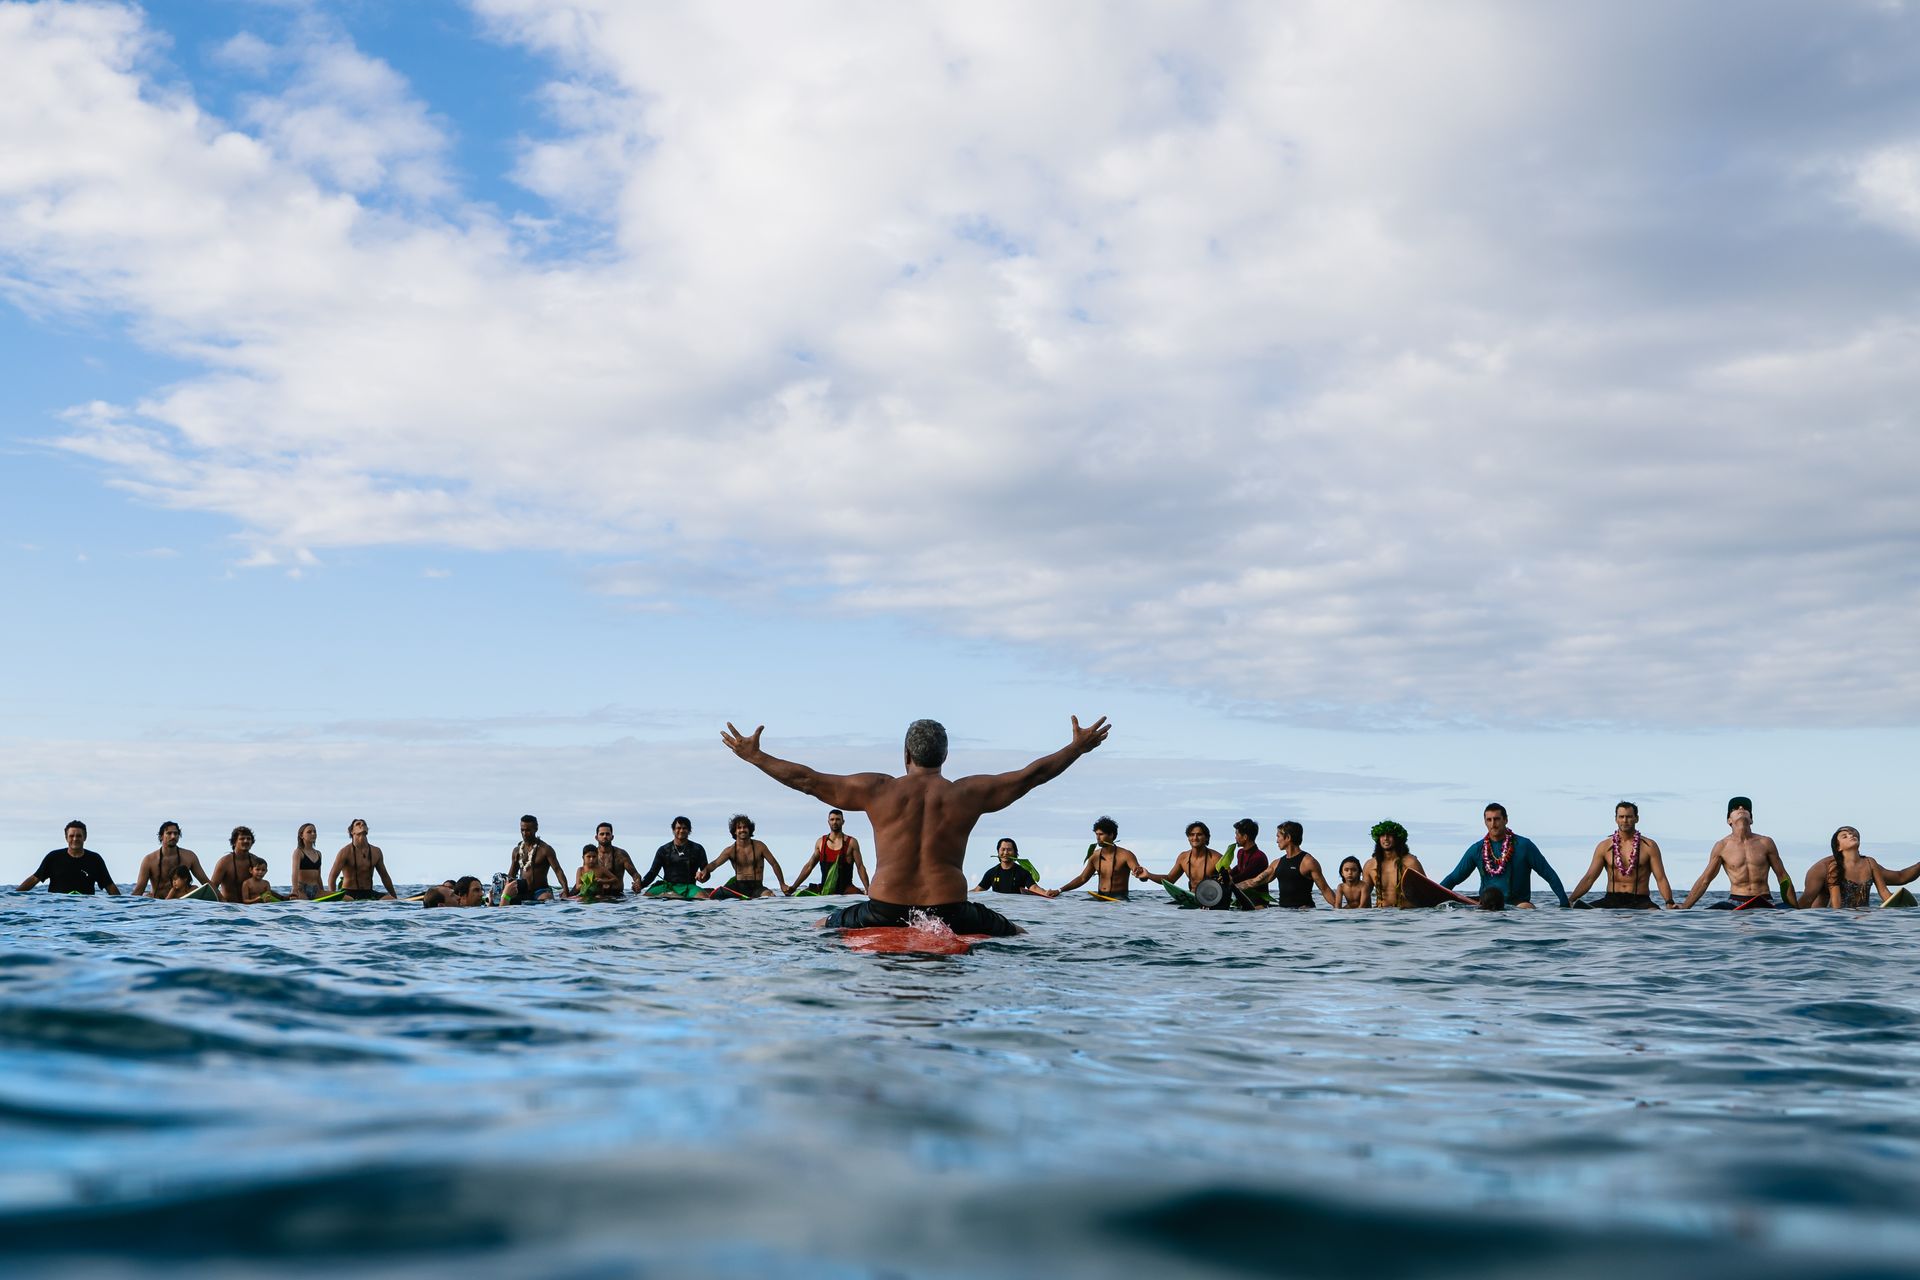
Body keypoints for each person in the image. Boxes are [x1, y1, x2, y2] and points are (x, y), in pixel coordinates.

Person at [721, 715, 1108, 937]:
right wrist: (1076, 748)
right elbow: (1031, 776)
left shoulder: (877, 790)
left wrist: (755, 756)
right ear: (946, 755)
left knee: (820, 924)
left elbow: (807, 780)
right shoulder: (967, 794)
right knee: (1021, 936)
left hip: (884, 909)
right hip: (951, 910)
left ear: (905, 754)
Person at [1440, 804, 1570, 909]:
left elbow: (1548, 874)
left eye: (1497, 819)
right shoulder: (1477, 849)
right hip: (1486, 907)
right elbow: (1454, 878)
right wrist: (1434, 899)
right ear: (1484, 822)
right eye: (1489, 820)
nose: (1493, 824)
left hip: (1518, 906)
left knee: (1527, 907)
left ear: (1505, 820)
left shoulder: (1524, 846)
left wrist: (1564, 903)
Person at [1678, 797, 1794, 910]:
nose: (1741, 808)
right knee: (1709, 912)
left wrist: (1795, 909)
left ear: (1751, 819)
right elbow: (1705, 880)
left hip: (1765, 900)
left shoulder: (1766, 843)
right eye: (1735, 808)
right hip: (1735, 902)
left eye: (1746, 808)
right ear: (1729, 820)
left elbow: (1783, 876)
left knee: (1788, 909)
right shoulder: (1722, 846)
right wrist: (1684, 907)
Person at [1567, 803, 1675, 908]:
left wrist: (1669, 902)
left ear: (1636, 819)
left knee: (1654, 912)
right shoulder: (1604, 846)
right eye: (1621, 817)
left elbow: (1660, 878)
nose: (1625, 820)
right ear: (1616, 819)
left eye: (1629, 817)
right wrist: (1570, 900)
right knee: (1580, 908)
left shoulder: (1649, 846)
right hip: (1611, 899)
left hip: (1640, 900)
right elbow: (1589, 878)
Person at [1240, 821, 1336, 908]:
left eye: (1278, 836)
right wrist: (1231, 885)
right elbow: (1254, 882)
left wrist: (1341, 910)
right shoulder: (1277, 863)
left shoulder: (1308, 862)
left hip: (1304, 915)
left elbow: (1325, 889)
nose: (1277, 841)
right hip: (1284, 916)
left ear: (1288, 837)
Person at [1054, 816, 1154, 899]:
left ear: (1111, 835)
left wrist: (1141, 875)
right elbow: (1082, 878)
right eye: (1096, 834)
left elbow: (1142, 876)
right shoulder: (1095, 856)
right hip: (1100, 898)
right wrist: (1059, 890)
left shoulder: (1126, 855)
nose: (1098, 838)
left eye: (1101, 834)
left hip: (1120, 900)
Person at [1797, 826, 1895, 908]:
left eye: (1851, 834)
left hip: (1865, 916)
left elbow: (1883, 891)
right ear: (1838, 847)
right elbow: (1836, 902)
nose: (1851, 835)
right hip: (1842, 918)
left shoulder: (1870, 862)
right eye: (1845, 836)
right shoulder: (1834, 867)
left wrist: (1896, 907)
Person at [700, 814, 790, 898]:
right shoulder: (730, 850)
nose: (742, 830)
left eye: (745, 827)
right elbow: (715, 863)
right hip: (738, 887)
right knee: (715, 895)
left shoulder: (760, 846)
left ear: (749, 829)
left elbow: (774, 864)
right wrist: (705, 870)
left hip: (757, 886)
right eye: (739, 828)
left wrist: (782, 884)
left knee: (769, 895)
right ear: (735, 831)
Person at [18, 820, 119, 894]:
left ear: (85, 837)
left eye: (79, 836)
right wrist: (15, 896)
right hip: (58, 910)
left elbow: (109, 886)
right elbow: (34, 879)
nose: (75, 839)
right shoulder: (53, 857)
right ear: (66, 837)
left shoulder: (95, 859)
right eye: (71, 836)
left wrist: (122, 906)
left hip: (86, 910)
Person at [784, 808, 870, 895]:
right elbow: (809, 866)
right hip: (825, 889)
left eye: (838, 819)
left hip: (846, 890)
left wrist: (868, 890)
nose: (834, 822)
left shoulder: (851, 842)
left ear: (843, 822)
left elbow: (860, 867)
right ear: (828, 822)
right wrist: (794, 887)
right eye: (832, 819)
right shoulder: (821, 842)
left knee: (858, 894)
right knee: (800, 894)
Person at [1136, 822, 1225, 892]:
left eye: (1199, 834)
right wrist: (1148, 875)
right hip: (1192, 896)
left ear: (1206, 837)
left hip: (1212, 900)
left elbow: (1231, 879)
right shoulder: (1183, 858)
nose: (1195, 838)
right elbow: (1170, 879)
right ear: (1188, 838)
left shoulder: (1216, 858)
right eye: (1191, 834)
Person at [132, 821, 210, 898]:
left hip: (181, 904)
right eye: (169, 833)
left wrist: (221, 899)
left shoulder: (189, 857)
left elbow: (205, 881)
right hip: (157, 904)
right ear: (161, 836)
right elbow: (139, 890)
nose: (173, 836)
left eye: (176, 833)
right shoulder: (149, 860)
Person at [328, 818, 398, 900]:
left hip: (368, 892)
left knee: (389, 899)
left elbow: (384, 876)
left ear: (367, 830)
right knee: (348, 899)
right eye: (358, 824)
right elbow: (332, 877)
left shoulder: (376, 851)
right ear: (352, 831)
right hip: (348, 893)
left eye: (364, 824)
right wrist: (333, 898)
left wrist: (395, 898)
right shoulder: (345, 852)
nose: (361, 825)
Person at [639, 817, 708, 897]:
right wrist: (640, 885)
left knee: (704, 898)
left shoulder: (698, 849)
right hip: (667, 886)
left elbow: (706, 873)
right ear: (673, 830)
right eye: (678, 828)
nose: (681, 831)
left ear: (689, 830)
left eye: (684, 828)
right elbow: (652, 873)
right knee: (645, 897)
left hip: (689, 887)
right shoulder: (663, 850)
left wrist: (702, 877)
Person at [506, 815, 569, 901]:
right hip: (523, 891)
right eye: (522, 830)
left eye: (528, 830)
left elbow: (558, 871)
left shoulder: (545, 849)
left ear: (536, 828)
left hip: (541, 891)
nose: (524, 833)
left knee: (547, 898)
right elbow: (512, 874)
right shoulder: (517, 851)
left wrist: (565, 890)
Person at [1362, 821, 1424, 908]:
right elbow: (1362, 894)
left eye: (1390, 835)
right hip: (1380, 915)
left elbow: (1425, 890)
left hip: (1407, 915)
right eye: (1382, 835)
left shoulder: (1411, 862)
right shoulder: (1370, 865)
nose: (1386, 838)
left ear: (1397, 838)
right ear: (1378, 839)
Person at [975, 838, 1058, 897]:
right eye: (1003, 849)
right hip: (998, 909)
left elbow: (1034, 888)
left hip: (1016, 909)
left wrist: (1045, 893)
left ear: (1015, 853)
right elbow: (977, 891)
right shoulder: (991, 873)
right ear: (998, 852)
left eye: (1009, 850)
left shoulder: (1023, 872)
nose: (1006, 852)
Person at [580, 823, 642, 898]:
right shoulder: (591, 856)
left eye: (607, 834)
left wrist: (637, 882)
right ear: (596, 837)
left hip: (617, 897)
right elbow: (583, 878)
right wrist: (568, 895)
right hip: (596, 898)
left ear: (612, 837)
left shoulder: (621, 855)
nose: (605, 836)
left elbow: (635, 874)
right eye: (602, 834)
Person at [210, 827, 264, 903]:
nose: (246, 841)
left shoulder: (255, 861)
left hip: (251, 909)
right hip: (229, 908)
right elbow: (212, 887)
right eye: (242, 839)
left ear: (252, 842)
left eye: (248, 839)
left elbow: (262, 886)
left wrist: (282, 898)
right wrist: (222, 899)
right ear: (234, 842)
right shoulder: (224, 862)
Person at [290, 823, 325, 900]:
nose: (313, 834)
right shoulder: (298, 852)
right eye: (309, 832)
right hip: (302, 890)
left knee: (348, 898)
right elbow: (294, 873)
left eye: (315, 831)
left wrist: (323, 891)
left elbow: (319, 876)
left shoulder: (318, 853)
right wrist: (295, 890)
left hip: (316, 890)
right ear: (301, 835)